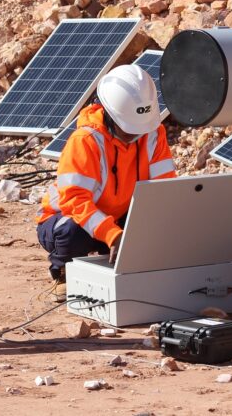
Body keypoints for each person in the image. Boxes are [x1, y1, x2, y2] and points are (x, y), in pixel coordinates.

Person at [36, 64, 176, 301]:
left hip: (116, 218)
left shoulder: (152, 133)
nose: (135, 135)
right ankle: (62, 272)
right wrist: (113, 235)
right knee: (71, 232)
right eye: (128, 129)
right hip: (65, 219)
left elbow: (163, 191)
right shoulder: (86, 140)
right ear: (110, 114)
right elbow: (74, 201)